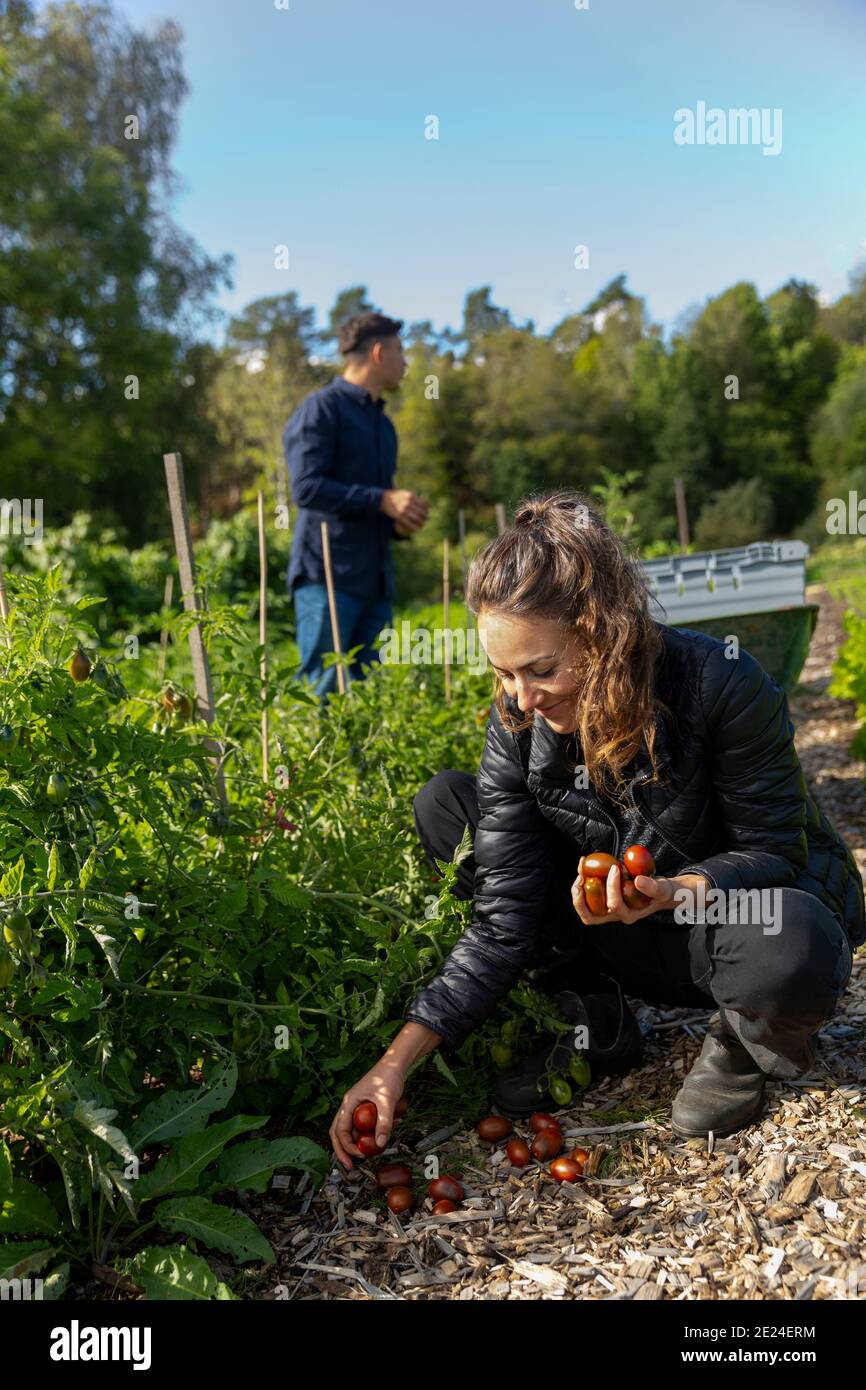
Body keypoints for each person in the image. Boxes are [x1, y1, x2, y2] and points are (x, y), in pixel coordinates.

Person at [329, 489, 865, 1166]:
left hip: (717, 924)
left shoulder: (720, 682)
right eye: (503, 675)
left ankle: (742, 1037)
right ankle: (594, 1013)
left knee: (795, 938)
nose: (521, 698)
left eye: (541, 670)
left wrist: (677, 889)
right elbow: (504, 915)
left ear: (600, 630)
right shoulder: (519, 722)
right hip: (615, 932)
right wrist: (396, 1062)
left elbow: (774, 851)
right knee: (446, 806)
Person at [283, 311, 429, 699]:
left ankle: (357, 764)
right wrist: (382, 499)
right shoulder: (322, 409)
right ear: (379, 353)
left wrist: (398, 520)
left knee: (369, 695)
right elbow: (307, 488)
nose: (405, 362)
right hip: (327, 577)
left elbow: (373, 506)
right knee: (323, 688)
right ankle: (309, 762)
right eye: (400, 352)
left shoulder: (384, 426)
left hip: (375, 579)